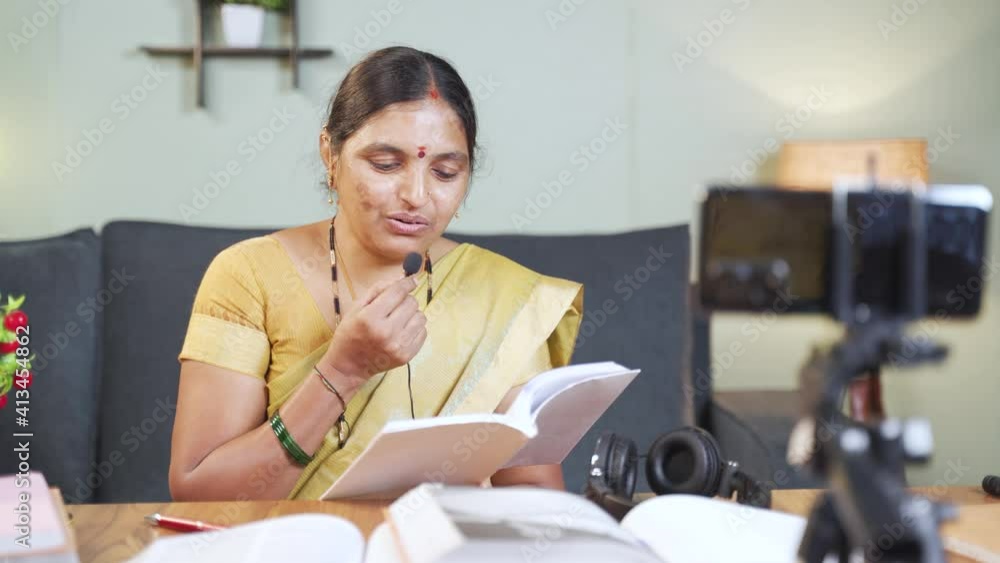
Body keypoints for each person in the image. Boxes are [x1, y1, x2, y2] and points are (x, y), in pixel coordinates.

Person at [167, 46, 584, 501]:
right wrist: (343, 371)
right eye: (386, 164)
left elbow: (538, 503)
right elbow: (202, 495)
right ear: (330, 153)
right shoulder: (248, 275)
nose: (417, 195)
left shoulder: (502, 295)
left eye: (445, 172)